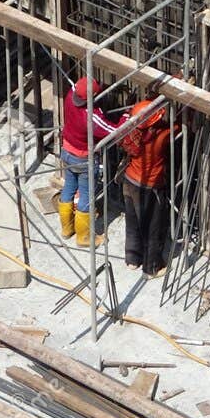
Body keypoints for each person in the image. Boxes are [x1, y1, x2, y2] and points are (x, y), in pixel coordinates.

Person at [58, 76, 121, 248]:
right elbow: (113, 130)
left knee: (69, 188)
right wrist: (125, 117)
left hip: (67, 150)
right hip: (83, 158)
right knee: (86, 196)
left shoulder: (70, 95)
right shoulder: (90, 116)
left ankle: (67, 229)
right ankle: (84, 238)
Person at [119, 99, 172, 276]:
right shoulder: (161, 136)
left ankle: (132, 259)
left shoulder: (131, 132)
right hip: (149, 189)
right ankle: (152, 268)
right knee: (152, 228)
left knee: (132, 222)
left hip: (129, 182)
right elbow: (179, 127)